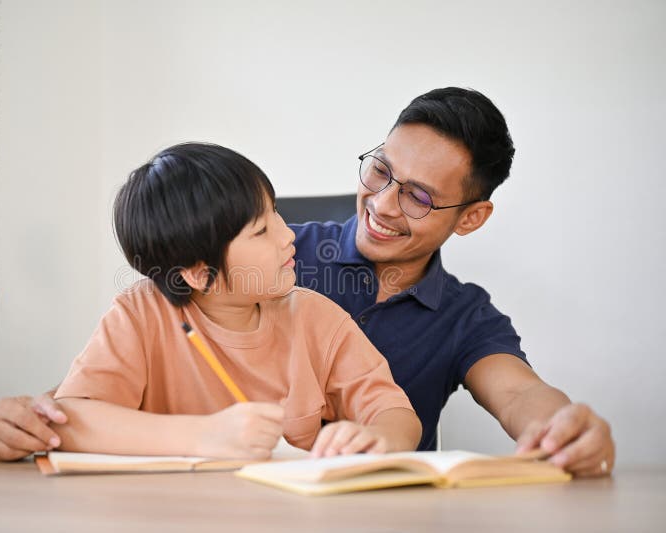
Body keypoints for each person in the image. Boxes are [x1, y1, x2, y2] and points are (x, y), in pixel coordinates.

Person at [0, 88, 614, 477]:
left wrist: (565, 427)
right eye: (380, 172)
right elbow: (91, 399)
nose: (384, 204)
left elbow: (518, 395)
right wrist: (32, 417)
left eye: (418, 196)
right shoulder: (268, 262)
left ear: (470, 217)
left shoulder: (451, 315)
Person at [37, 142, 421, 459]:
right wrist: (204, 436)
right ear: (199, 273)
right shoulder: (140, 314)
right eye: (261, 230)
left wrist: (381, 439)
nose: (288, 235)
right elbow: (71, 419)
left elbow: (395, 413)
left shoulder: (316, 317)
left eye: (276, 214)